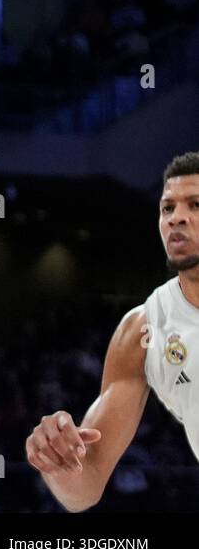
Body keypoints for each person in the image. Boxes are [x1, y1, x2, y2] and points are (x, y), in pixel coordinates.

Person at [26, 151, 199, 511]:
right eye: (168, 208)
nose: (177, 218)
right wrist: (57, 461)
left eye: (195, 205)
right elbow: (87, 483)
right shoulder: (144, 329)